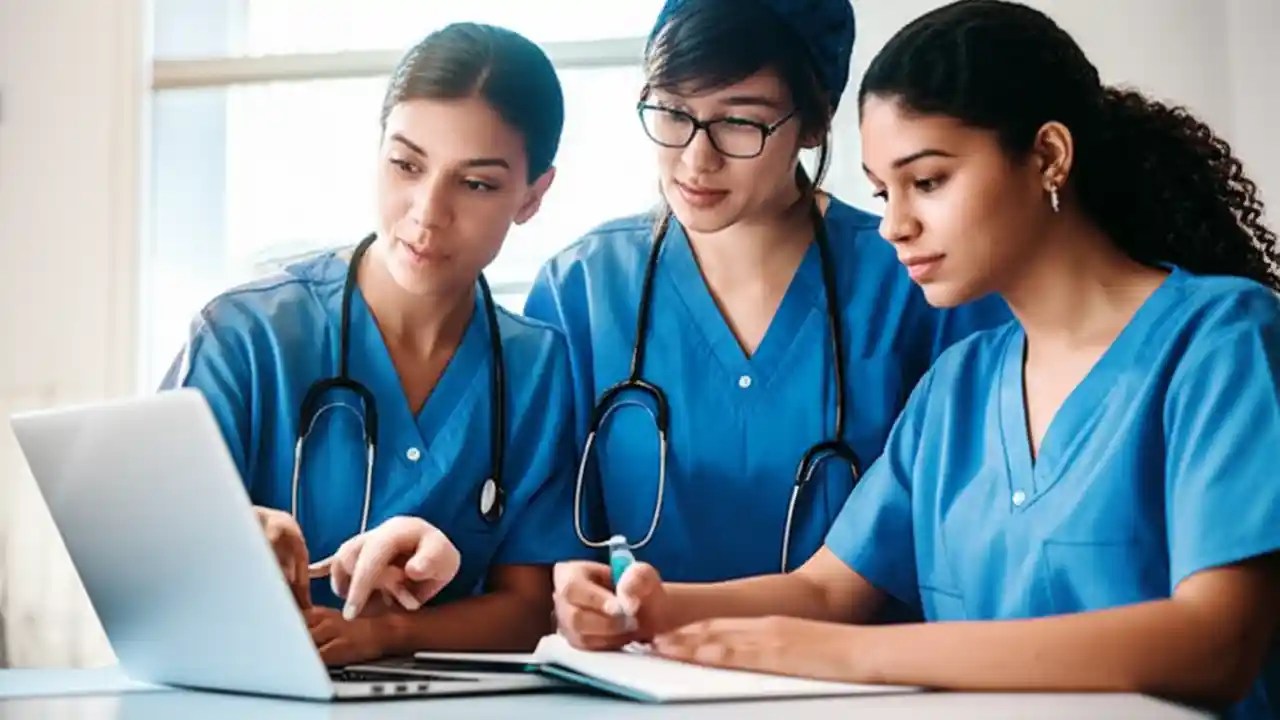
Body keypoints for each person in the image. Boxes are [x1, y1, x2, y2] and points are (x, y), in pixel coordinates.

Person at [550, 2, 1280, 717]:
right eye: (881, 191)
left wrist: (844, 655)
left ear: (1049, 157)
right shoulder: (960, 385)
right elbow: (827, 591)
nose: (895, 226)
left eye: (927, 182)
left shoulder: (1218, 341)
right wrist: (647, 608)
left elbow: (1214, 643)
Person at [524, 0, 1009, 586]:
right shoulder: (582, 289)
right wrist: (576, 594)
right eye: (673, 112)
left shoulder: (916, 280)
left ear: (814, 122)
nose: (696, 159)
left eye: (739, 122)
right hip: (642, 664)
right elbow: (546, 543)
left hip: (861, 670)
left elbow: (974, 532)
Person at [162, 22, 586, 665]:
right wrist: (230, 536)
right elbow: (150, 562)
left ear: (532, 196)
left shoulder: (536, 368)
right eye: (406, 164)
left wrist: (387, 634)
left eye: (476, 184)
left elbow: (529, 607)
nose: (427, 211)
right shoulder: (246, 338)